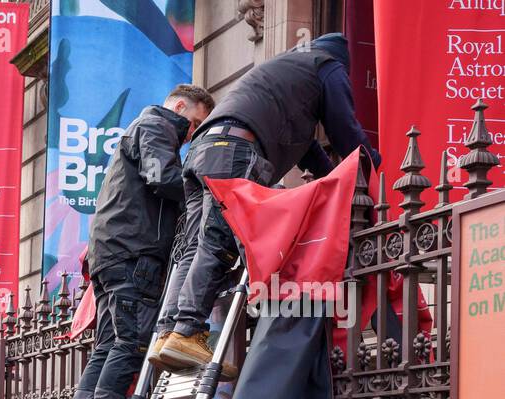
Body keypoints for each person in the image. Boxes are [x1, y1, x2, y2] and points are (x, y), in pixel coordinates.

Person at [152, 34, 380, 372]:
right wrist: (373, 169)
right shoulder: (327, 64)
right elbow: (344, 129)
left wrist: (336, 183)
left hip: (203, 150)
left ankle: (168, 333)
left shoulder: (287, 78)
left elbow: (310, 153)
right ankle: (187, 331)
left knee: (194, 246)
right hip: (234, 150)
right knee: (219, 241)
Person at [66, 84, 214, 399]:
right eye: (194, 122)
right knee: (129, 344)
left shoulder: (143, 127)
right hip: (134, 253)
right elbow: (162, 176)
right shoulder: (156, 125)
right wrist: (205, 191)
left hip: (112, 252)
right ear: (180, 106)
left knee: (109, 345)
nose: (191, 133)